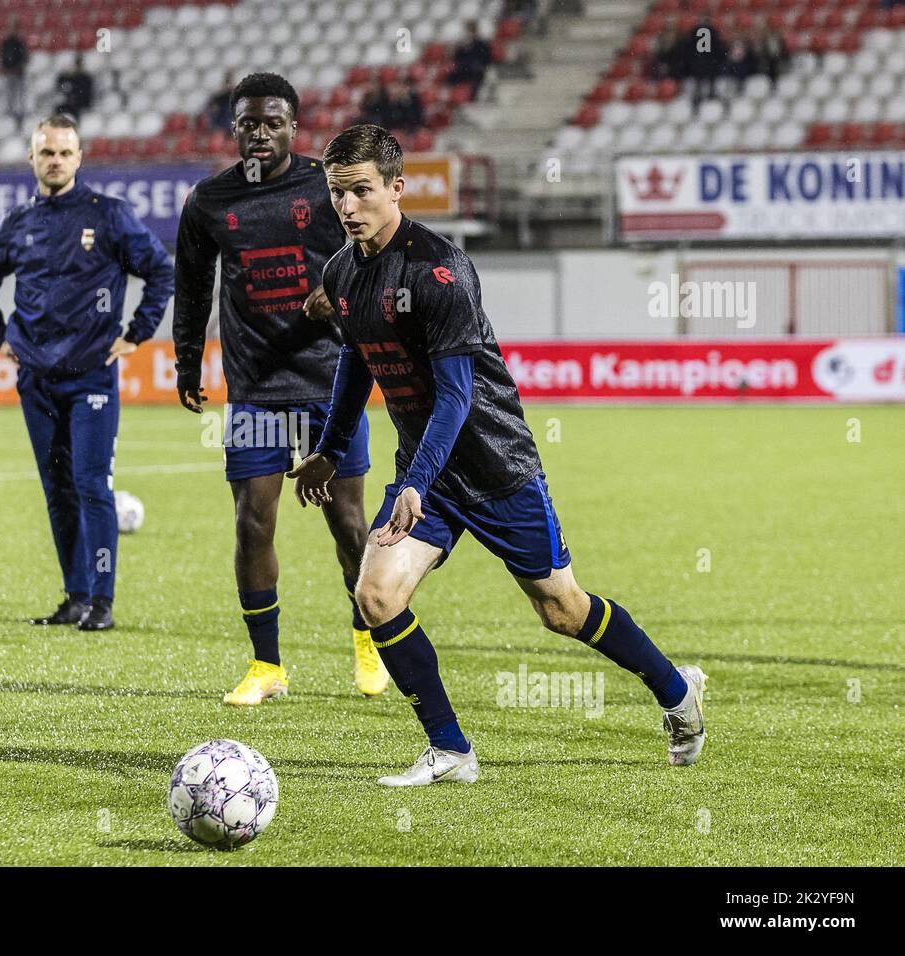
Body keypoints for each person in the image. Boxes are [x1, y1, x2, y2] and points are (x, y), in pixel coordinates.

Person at [289, 125, 706, 786]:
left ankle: (677, 692)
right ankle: (451, 749)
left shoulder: (439, 270)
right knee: (375, 594)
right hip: (424, 477)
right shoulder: (341, 272)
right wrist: (331, 450)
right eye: (337, 192)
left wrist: (414, 482)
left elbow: (456, 396)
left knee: (562, 611)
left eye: (361, 190)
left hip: (494, 467)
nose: (347, 206)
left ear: (397, 188)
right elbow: (356, 360)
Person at [172, 73, 384, 705]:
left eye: (273, 122)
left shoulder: (328, 185)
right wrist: (188, 362)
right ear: (233, 128)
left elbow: (376, 244)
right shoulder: (209, 201)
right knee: (251, 521)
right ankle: (267, 666)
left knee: (348, 523)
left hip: (330, 381)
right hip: (257, 389)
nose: (260, 134)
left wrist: (338, 291)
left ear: (294, 125)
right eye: (248, 124)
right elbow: (191, 287)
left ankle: (367, 647)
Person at [0, 116, 174, 631]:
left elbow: (160, 270)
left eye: (64, 152)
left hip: (91, 377)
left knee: (91, 484)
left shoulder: (109, 216)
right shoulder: (17, 222)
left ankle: (102, 601)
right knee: (57, 490)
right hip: (36, 378)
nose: (54, 160)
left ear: (80, 158)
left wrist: (137, 333)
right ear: (32, 159)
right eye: (45, 152)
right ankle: (75, 597)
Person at [0, 20, 29, 130]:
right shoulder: (6, 43)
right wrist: (5, 68)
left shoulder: (19, 43)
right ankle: (10, 113)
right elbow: (2, 57)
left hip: (18, 73)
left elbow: (25, 58)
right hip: (9, 73)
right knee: (9, 94)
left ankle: (19, 113)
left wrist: (18, 67)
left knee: (19, 94)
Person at [449, 22, 493, 91]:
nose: (469, 34)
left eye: (471, 31)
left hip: (476, 70)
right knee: (452, 76)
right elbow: (456, 58)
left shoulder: (482, 44)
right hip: (463, 70)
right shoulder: (462, 46)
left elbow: (486, 58)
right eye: (468, 31)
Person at [55, 53, 94, 119]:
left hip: (81, 104)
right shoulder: (68, 77)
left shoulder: (86, 78)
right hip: (70, 104)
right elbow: (61, 86)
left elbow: (86, 93)